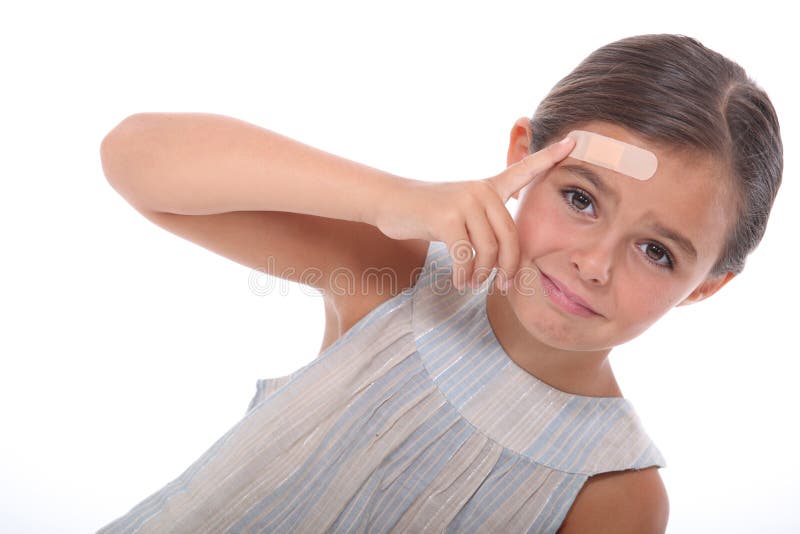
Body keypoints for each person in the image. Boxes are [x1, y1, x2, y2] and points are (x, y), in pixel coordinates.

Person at [96, 33, 782, 533]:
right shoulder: (395, 280)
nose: (595, 263)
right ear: (525, 158)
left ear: (703, 288)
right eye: (580, 199)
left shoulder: (614, 494)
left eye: (657, 252)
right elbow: (135, 158)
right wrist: (389, 199)